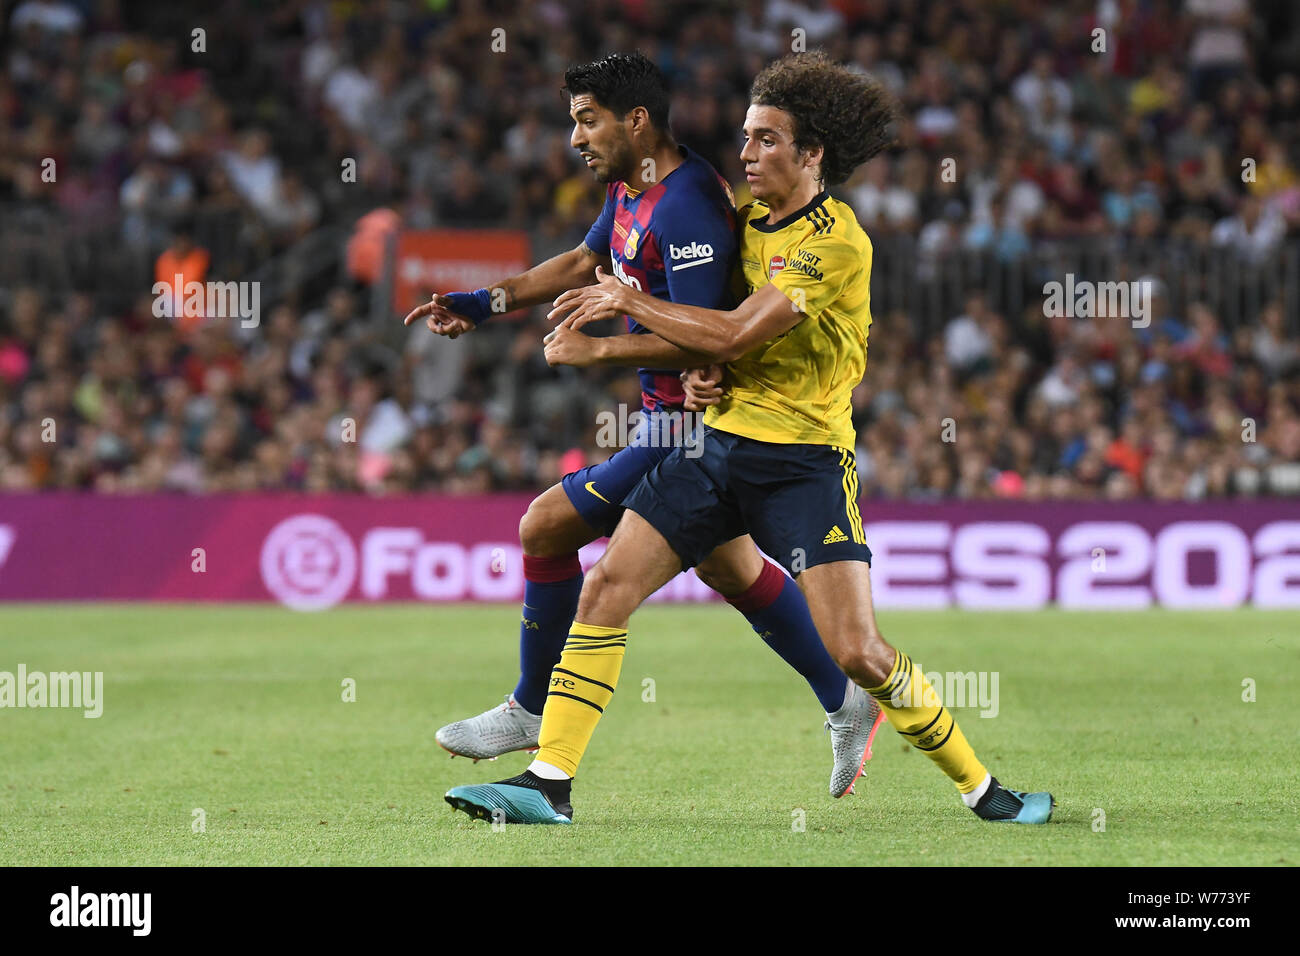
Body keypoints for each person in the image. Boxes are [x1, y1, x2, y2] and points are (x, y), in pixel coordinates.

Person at [446, 52, 1053, 825]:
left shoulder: (835, 243)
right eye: (745, 137)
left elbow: (733, 330)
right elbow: (712, 330)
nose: (745, 154)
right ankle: (548, 784)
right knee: (606, 587)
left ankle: (984, 790)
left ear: (811, 154)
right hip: (714, 444)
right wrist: (699, 369)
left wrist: (620, 322)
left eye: (767, 140)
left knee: (859, 651)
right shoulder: (740, 222)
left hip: (803, 464)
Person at [406, 53, 882, 800]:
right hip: (671, 419)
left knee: (544, 528)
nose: (575, 139)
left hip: (684, 429)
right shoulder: (634, 191)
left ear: (635, 121)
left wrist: (599, 351)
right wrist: (483, 302)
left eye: (586, 120)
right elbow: (582, 264)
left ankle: (534, 713)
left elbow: (707, 333)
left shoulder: (689, 204)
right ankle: (843, 697)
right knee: (734, 570)